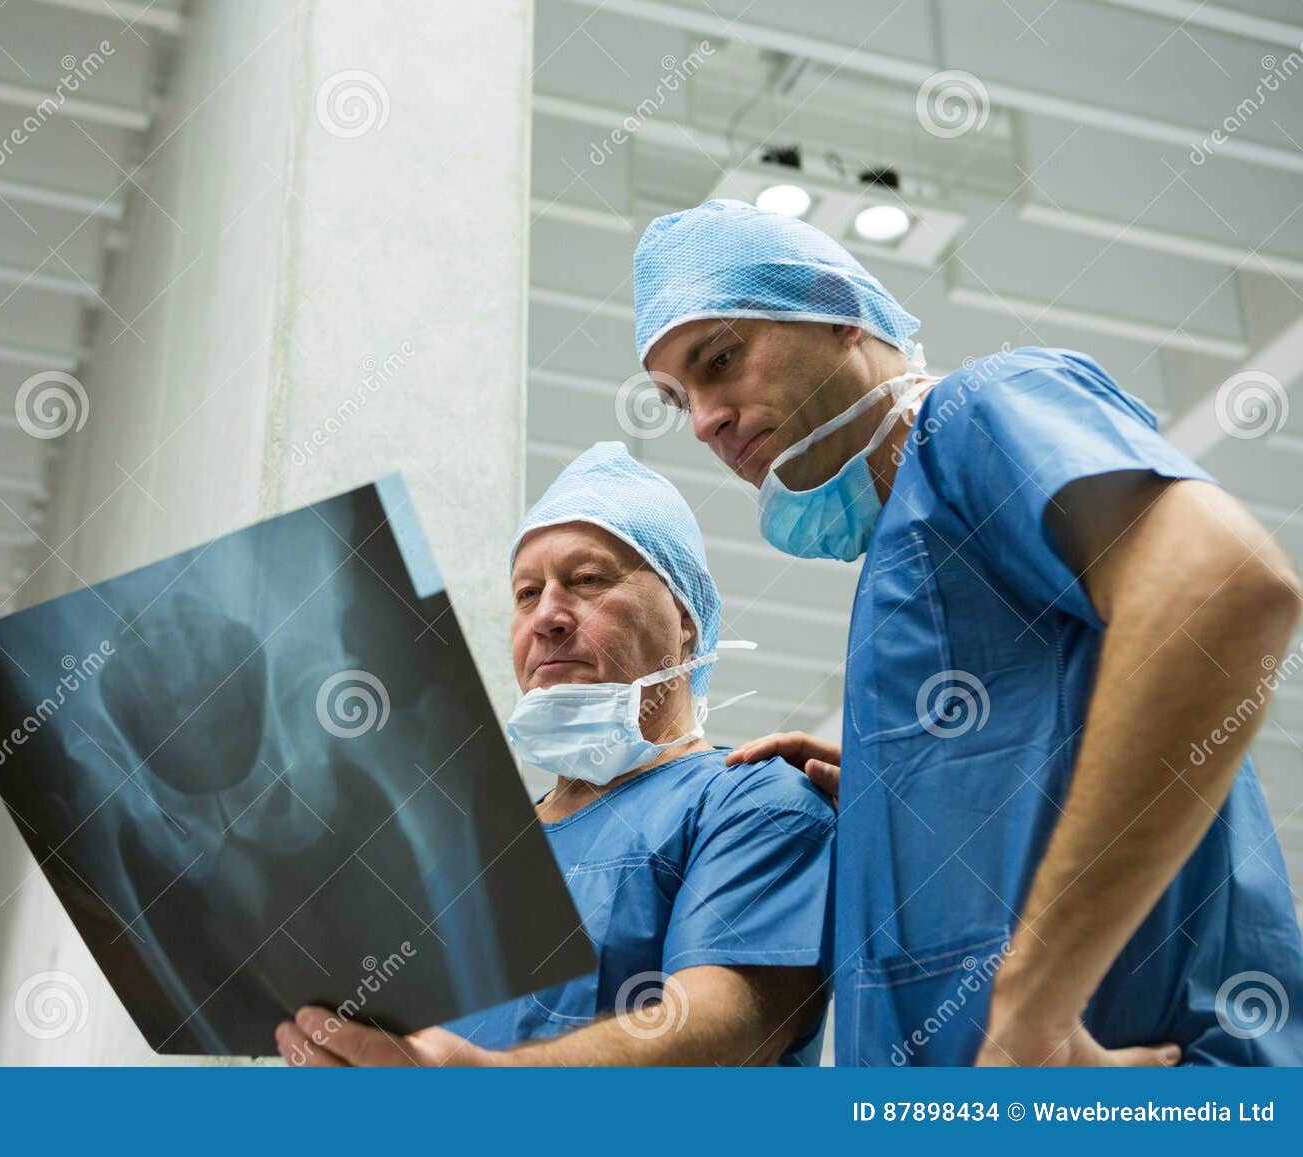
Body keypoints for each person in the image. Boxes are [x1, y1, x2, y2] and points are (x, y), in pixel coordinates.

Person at [633, 198, 1303, 1066]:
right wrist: (901, 807)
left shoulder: (979, 414)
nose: (704, 419)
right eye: (677, 398)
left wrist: (1032, 1006)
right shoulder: (901, 558)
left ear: (839, 310)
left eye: (720, 358)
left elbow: (1227, 590)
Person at [275, 442, 834, 1066]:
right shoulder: (475, 858)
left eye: (587, 580)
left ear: (684, 619)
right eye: (525, 593)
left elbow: (725, 1028)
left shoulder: (755, 802)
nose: (546, 617)